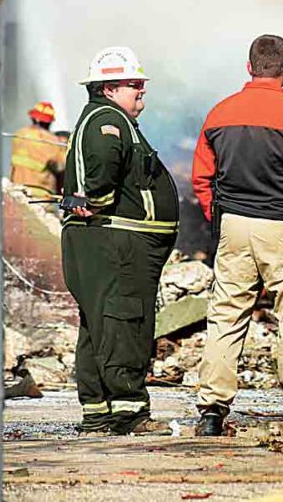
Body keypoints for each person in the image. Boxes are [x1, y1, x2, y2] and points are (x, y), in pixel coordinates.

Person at [191, 34, 283, 437]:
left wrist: (218, 217)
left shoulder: (219, 113)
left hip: (234, 226)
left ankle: (211, 413)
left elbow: (202, 177)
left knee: (225, 316)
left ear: (249, 67)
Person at [61, 46, 179, 436]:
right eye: (135, 86)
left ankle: (98, 412)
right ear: (109, 88)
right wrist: (94, 199)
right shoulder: (107, 122)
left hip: (109, 242)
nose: (141, 93)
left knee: (100, 325)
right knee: (123, 322)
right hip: (116, 243)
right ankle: (130, 412)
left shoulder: (108, 117)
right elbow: (103, 165)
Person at [9, 101, 67, 196]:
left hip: (17, 190)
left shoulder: (19, 134)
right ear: (49, 122)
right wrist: (65, 146)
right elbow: (60, 166)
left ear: (33, 117)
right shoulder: (50, 141)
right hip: (40, 194)